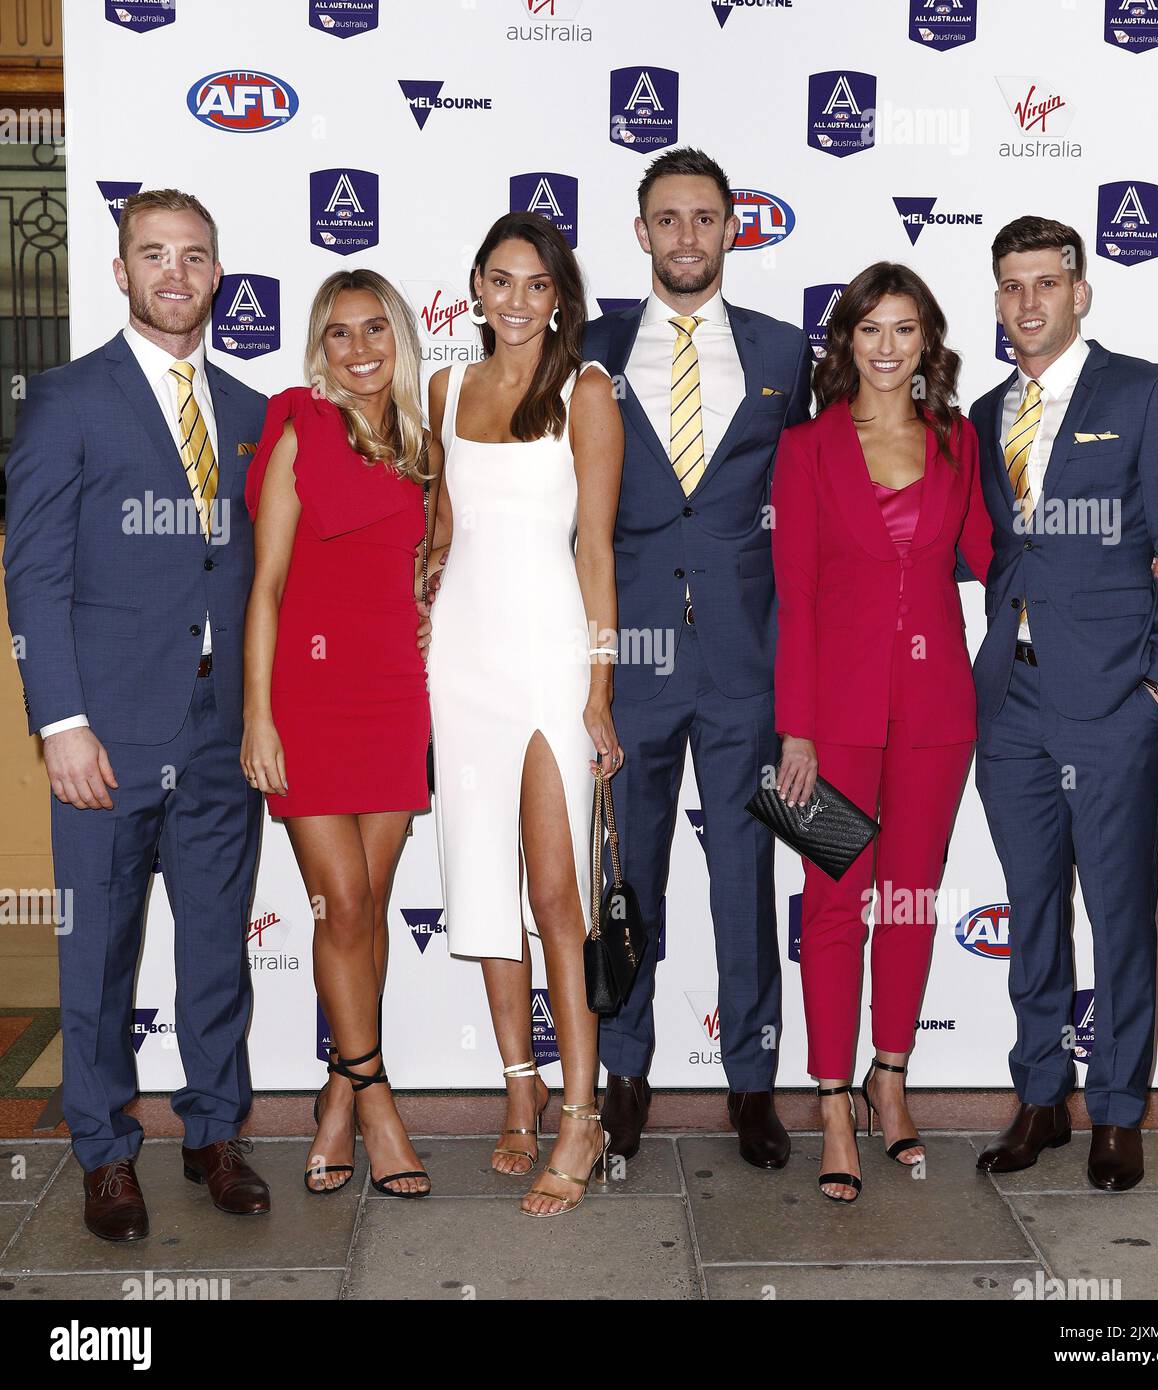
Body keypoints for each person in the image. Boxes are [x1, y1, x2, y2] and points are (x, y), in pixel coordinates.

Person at [2, 189, 270, 1240]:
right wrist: (60, 721)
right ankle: (105, 1153)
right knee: (98, 956)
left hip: (221, 732)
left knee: (216, 947)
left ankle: (215, 1134)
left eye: (193, 256)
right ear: (121, 271)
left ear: (217, 274)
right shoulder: (68, 399)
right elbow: (34, 572)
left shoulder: (249, 412)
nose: (174, 273)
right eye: (153, 254)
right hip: (105, 735)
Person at [969, 217, 1158, 1192]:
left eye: (1045, 282)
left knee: (1118, 915)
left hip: (1113, 699)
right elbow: (998, 551)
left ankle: (1116, 1109)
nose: (1027, 301)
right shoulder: (986, 411)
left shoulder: (1147, 392)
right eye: (1010, 285)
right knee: (1031, 909)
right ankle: (1040, 1096)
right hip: (1011, 700)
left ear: (1079, 292)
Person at [581, 147, 812, 1168]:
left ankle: (752, 1083)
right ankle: (623, 1071)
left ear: (731, 228)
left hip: (744, 665)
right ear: (642, 232)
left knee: (745, 877)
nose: (686, 236)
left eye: (704, 218)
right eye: (667, 219)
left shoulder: (784, 351)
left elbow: (804, 504)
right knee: (624, 879)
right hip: (626, 663)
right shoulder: (588, 346)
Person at [771, 263, 994, 1201]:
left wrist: (1113, 559)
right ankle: (831, 1100)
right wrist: (795, 731)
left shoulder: (959, 440)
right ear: (847, 342)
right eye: (870, 329)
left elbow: (991, 555)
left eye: (904, 329)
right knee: (832, 904)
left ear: (926, 340)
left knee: (908, 899)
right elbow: (794, 595)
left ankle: (888, 1079)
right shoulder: (806, 448)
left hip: (937, 712)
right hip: (833, 722)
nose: (887, 347)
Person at [425, 211, 624, 1217]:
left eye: (535, 284)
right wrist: (418, 610)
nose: (515, 300)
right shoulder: (444, 388)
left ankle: (582, 1113)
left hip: (551, 662)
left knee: (556, 893)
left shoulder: (585, 390)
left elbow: (596, 548)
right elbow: (442, 528)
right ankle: (520, 1089)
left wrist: (598, 687)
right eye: (500, 280)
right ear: (475, 286)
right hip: (460, 662)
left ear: (558, 298)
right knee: (480, 884)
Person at [243, 269, 436, 1198]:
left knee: (370, 906)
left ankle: (336, 1096)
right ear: (318, 347)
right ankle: (377, 1101)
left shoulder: (422, 447)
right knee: (343, 905)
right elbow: (267, 586)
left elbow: (427, 568)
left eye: (374, 330)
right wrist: (257, 715)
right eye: (339, 334)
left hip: (394, 696)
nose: (359, 350)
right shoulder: (300, 430)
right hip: (309, 702)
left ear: (400, 338)